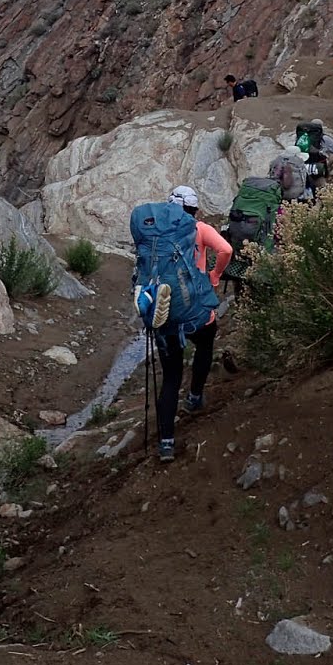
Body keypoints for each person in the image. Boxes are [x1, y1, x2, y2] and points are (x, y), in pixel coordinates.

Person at [147, 185, 228, 461]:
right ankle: (195, 397)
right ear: (194, 210)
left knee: (170, 377)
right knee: (205, 346)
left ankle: (167, 443)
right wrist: (214, 276)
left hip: (166, 310)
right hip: (196, 309)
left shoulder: (157, 232)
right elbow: (226, 249)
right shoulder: (200, 228)